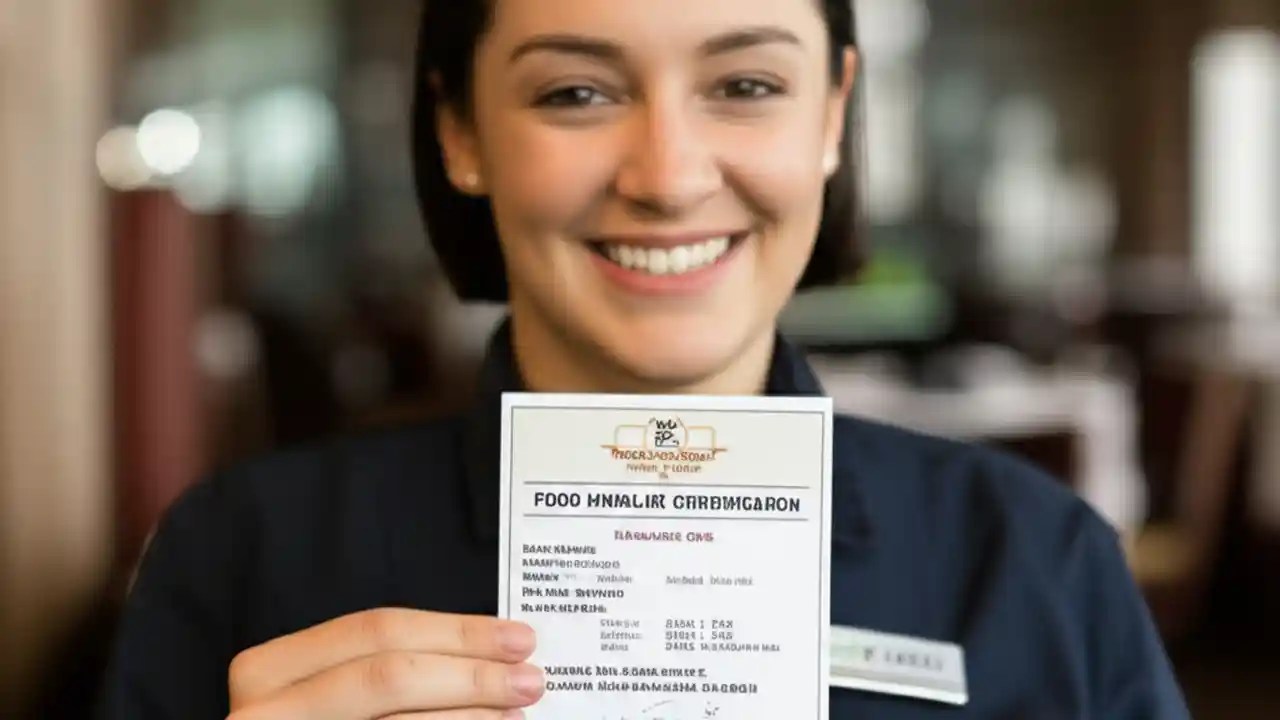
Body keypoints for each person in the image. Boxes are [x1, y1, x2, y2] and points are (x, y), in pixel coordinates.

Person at [96, 0, 1191, 718]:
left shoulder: (1038, 561)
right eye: (576, 91)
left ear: (831, 115)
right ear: (459, 133)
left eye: (746, 85)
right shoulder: (243, 558)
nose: (666, 176)